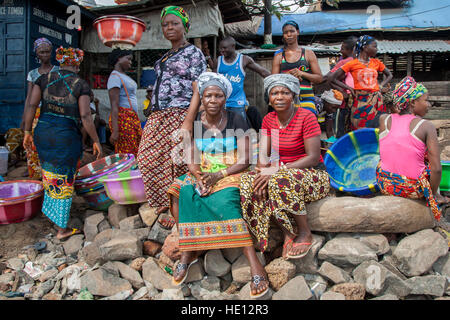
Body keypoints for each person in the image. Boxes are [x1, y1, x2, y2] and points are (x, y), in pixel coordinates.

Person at [167, 72, 269, 298]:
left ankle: (254, 263)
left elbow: (245, 159)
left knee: (226, 198)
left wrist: (219, 174)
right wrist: (197, 173)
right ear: (201, 98)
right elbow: (191, 155)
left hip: (232, 168)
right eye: (208, 96)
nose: (213, 100)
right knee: (181, 190)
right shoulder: (196, 121)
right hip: (203, 167)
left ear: (225, 99)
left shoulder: (236, 118)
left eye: (218, 96)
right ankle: (189, 250)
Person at [240, 74, 330, 259]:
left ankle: (304, 231)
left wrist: (276, 170)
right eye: (274, 93)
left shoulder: (306, 117)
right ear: (269, 98)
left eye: (284, 93)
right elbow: (263, 156)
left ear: (293, 96)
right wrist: (261, 172)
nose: (279, 97)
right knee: (249, 181)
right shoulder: (268, 119)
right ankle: (286, 231)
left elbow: (313, 157)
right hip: (280, 171)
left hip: (311, 174)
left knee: (280, 180)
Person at [23, 47, 102, 240]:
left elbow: (32, 105)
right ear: (77, 63)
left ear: (60, 61)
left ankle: (52, 213)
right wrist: (96, 140)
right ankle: (62, 228)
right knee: (64, 177)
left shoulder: (43, 79)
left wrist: (26, 131)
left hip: (43, 133)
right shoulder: (80, 84)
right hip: (65, 137)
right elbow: (85, 115)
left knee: (49, 173)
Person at [137, 6, 207, 216]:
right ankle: (165, 200)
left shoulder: (193, 52)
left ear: (185, 26)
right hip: (159, 114)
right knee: (147, 157)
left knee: (179, 160)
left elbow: (198, 87)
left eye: (175, 23)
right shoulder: (167, 55)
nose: (169, 27)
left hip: (180, 112)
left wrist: (188, 119)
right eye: (165, 24)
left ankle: (183, 204)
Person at [377, 76, 449, 223]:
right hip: (411, 188)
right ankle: (436, 197)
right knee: (430, 162)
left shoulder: (384, 119)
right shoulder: (425, 126)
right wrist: (433, 193)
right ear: (412, 102)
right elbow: (436, 170)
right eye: (425, 100)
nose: (428, 104)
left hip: (385, 183)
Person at [329, 35, 393, 130]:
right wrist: (348, 88)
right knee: (359, 126)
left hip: (377, 101)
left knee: (378, 127)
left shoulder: (376, 63)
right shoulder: (352, 63)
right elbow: (332, 78)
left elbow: (389, 75)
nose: (377, 49)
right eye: (374, 46)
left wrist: (381, 85)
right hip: (360, 100)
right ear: (365, 47)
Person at [22, 38, 60, 179]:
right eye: (41, 52)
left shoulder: (58, 71)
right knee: (33, 148)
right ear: (36, 53)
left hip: (53, 113)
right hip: (36, 114)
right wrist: (25, 119)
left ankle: (52, 178)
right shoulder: (32, 74)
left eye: (47, 52)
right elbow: (29, 99)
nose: (45, 55)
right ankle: (37, 180)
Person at [213, 36, 270, 122]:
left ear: (233, 46)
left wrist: (278, 82)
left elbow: (263, 72)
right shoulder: (218, 61)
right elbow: (213, 81)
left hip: (237, 104)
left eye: (224, 48)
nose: (222, 50)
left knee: (240, 131)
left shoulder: (243, 60)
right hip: (221, 103)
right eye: (220, 48)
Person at [272, 20, 323, 115]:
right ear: (283, 35)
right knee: (287, 129)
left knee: (308, 127)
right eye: (286, 32)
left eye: (292, 31)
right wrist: (288, 75)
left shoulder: (308, 54)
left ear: (297, 32)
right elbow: (273, 81)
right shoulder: (279, 56)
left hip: (306, 99)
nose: (289, 34)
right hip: (285, 101)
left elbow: (319, 78)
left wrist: (302, 73)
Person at [107, 49, 142, 157]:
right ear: (119, 58)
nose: (130, 62)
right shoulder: (114, 77)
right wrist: (115, 130)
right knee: (127, 153)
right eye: (128, 59)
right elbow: (114, 105)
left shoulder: (124, 76)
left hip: (131, 117)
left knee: (137, 149)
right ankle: (128, 173)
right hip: (123, 118)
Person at [324, 36, 357, 138]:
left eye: (342, 48)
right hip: (348, 102)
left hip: (346, 103)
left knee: (341, 131)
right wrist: (344, 90)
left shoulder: (347, 61)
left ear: (351, 49)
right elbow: (330, 78)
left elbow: (329, 78)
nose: (340, 50)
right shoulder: (349, 62)